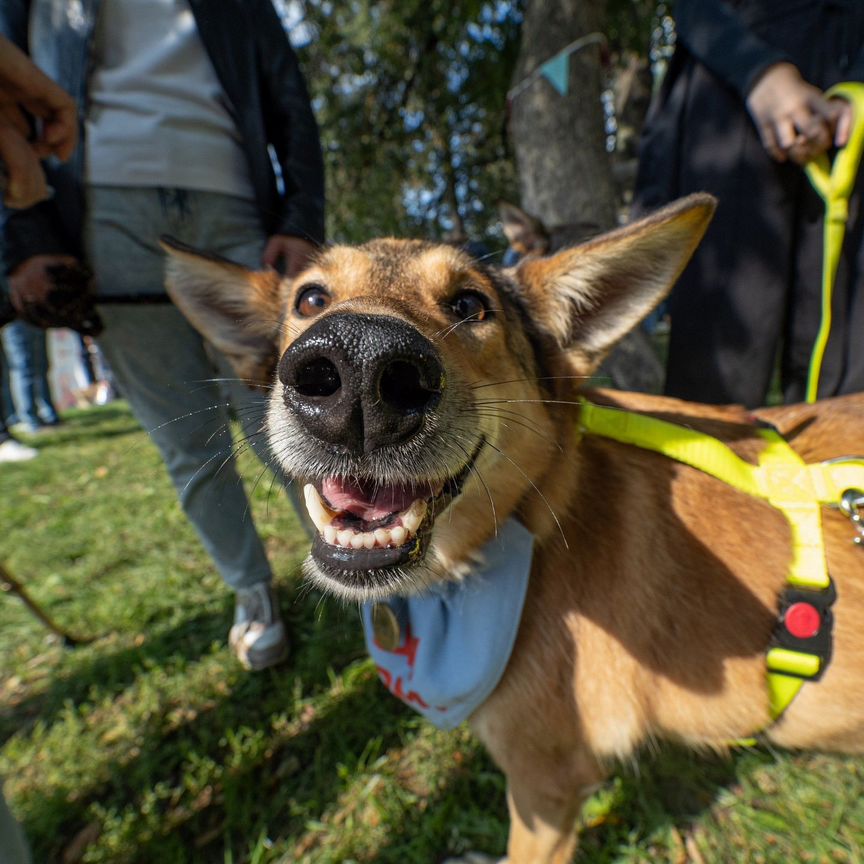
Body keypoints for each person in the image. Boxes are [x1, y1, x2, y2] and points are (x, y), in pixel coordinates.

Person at [0, 0, 326, 670]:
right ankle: (252, 592)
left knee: (293, 421)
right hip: (104, 210)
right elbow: (7, 102)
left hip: (235, 204)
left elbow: (287, 91)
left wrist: (302, 216)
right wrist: (28, 238)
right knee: (186, 437)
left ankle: (355, 562)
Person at [633, 0, 864, 408]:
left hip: (853, 111)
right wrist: (758, 72)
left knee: (851, 373)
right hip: (730, 95)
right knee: (716, 379)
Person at [2, 317, 60, 432]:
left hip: (34, 314)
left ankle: (50, 416)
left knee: (41, 366)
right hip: (13, 318)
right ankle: (31, 420)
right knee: (24, 369)